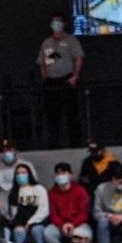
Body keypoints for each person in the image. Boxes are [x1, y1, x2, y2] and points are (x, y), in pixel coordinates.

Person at [38, 14, 84, 146]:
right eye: (53, 22)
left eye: (58, 22)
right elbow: (42, 62)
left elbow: (79, 58)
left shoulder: (71, 40)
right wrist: (45, 78)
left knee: (72, 115)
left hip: (67, 80)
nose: (55, 24)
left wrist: (75, 76)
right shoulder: (46, 43)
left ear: (64, 24)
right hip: (51, 82)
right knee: (52, 115)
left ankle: (76, 144)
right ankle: (54, 144)